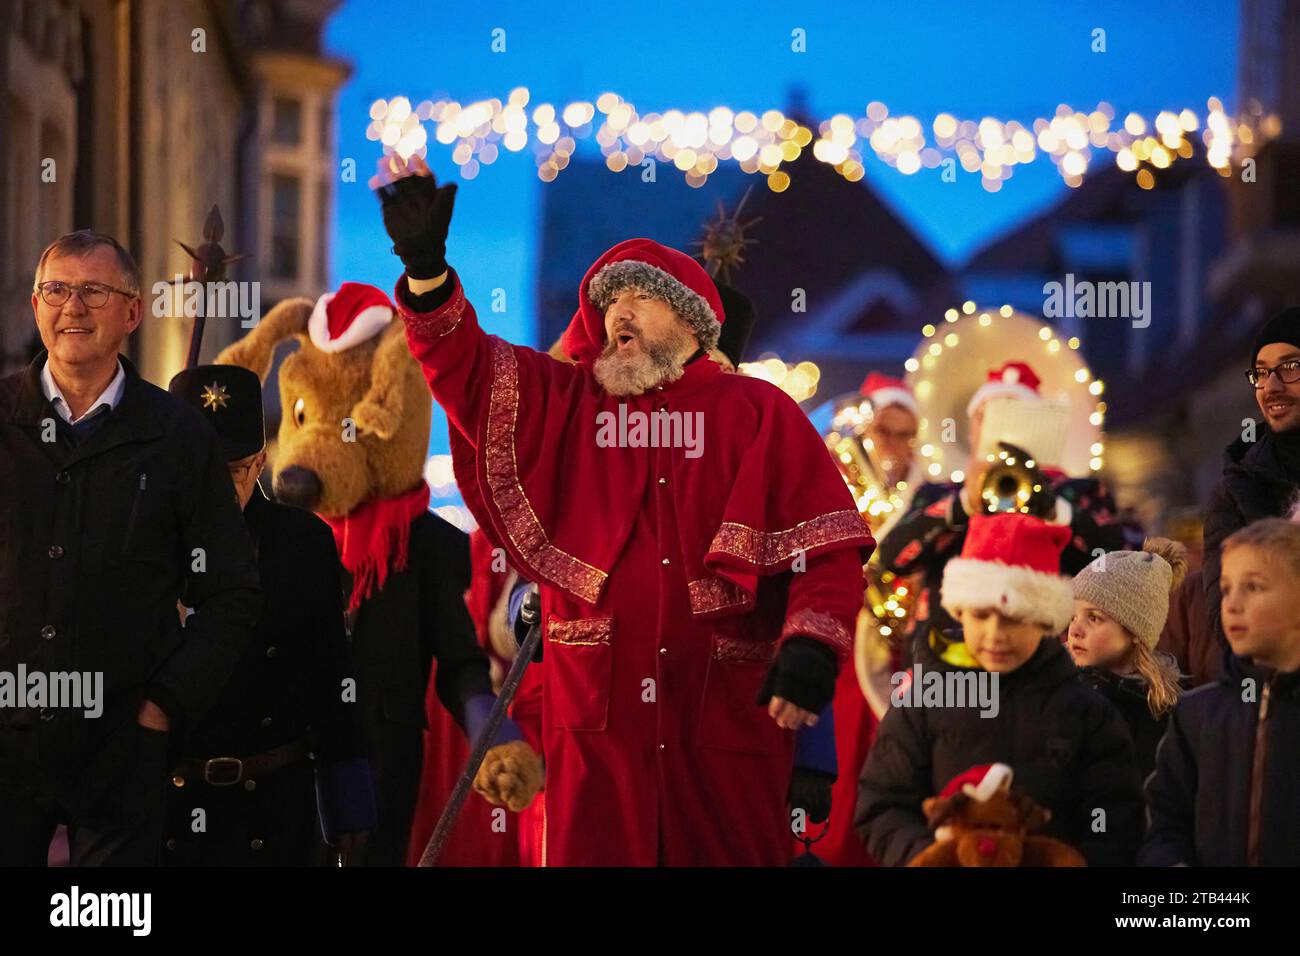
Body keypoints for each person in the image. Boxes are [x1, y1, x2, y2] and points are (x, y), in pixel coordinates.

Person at [375, 155, 872, 865]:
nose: (618, 313)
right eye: (609, 303)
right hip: (598, 741)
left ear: (695, 322)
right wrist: (426, 273)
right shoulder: (574, 404)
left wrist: (809, 650)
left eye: (640, 296)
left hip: (725, 734)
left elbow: (827, 551)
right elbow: (469, 371)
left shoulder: (759, 412)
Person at [0, 230, 260, 865]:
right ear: (36, 306)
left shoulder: (177, 438)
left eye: (94, 291)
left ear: (133, 312)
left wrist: (163, 707)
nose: (74, 307)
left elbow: (231, 594)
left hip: (120, 750)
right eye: (57, 289)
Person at [163, 363, 376, 865]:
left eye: (233, 470)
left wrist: (348, 804)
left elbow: (332, 676)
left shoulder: (301, 543)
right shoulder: (142, 537)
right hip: (167, 802)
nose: (214, 487)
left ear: (260, 462)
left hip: (272, 803)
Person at [855, 512, 1143, 866]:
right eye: (980, 616)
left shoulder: (1087, 710)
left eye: (1013, 618)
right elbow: (883, 804)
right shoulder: (924, 702)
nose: (994, 635)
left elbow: (1114, 814)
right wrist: (930, 857)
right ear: (959, 613)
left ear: (1045, 620)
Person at [876, 360, 1127, 658]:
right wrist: (963, 504)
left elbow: (1112, 561)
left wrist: (1052, 508)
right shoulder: (937, 493)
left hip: (1047, 665)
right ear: (972, 430)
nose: (999, 425)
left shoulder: (1077, 492)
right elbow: (893, 557)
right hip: (946, 673)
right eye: (987, 415)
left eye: (1013, 413)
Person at [1141, 517, 1300, 866]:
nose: (1232, 604)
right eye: (1226, 588)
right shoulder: (1197, 713)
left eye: (1254, 587)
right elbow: (1166, 821)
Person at [1203, 307, 1300, 646]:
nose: (1271, 386)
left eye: (1290, 368)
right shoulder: (1237, 490)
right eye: (1261, 372)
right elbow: (1227, 621)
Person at [1068, 539, 1188, 780]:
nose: (1075, 630)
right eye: (1073, 616)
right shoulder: (1059, 688)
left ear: (1135, 631)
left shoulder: (1163, 713)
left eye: (1094, 618)